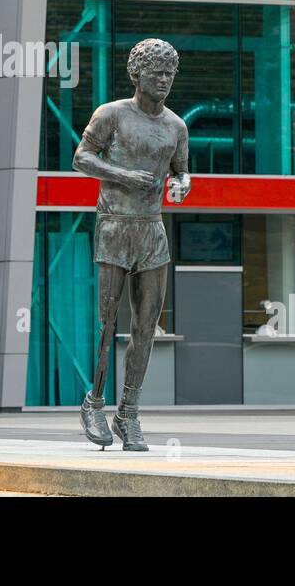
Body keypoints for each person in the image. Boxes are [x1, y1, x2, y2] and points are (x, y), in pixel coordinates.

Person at [73, 38, 190, 451]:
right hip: (115, 225)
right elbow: (81, 158)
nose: (164, 80)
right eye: (157, 73)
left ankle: (129, 412)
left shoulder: (177, 126)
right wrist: (123, 175)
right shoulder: (112, 114)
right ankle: (95, 402)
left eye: (169, 74)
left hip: (151, 229)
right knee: (108, 324)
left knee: (146, 327)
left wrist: (181, 183)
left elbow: (181, 172)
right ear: (137, 74)